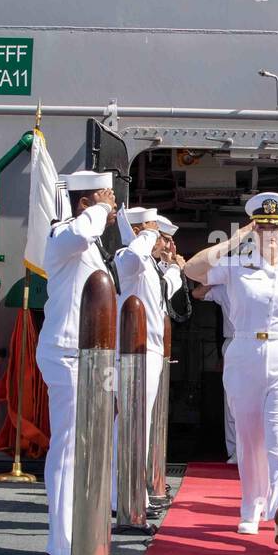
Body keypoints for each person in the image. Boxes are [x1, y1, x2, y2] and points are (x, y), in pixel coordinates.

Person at [183, 193, 278, 543]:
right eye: (262, 228)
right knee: (249, 440)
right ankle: (251, 507)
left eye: (276, 228)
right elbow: (191, 269)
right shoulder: (236, 266)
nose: (269, 234)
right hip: (245, 351)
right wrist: (235, 239)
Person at [35, 170, 118, 555]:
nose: (113, 206)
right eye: (106, 199)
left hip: (89, 357)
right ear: (85, 203)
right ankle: (61, 542)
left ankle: (81, 530)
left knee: (87, 447)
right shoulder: (63, 234)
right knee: (68, 448)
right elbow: (81, 233)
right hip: (66, 354)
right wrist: (99, 208)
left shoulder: (93, 244)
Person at [112, 206, 168, 513]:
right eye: (153, 230)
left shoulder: (148, 261)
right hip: (135, 351)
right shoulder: (128, 256)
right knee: (132, 424)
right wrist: (144, 233)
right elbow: (132, 257)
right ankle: (125, 496)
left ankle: (132, 494)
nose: (158, 237)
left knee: (137, 424)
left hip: (149, 349)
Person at [192, 280, 238, 463]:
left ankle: (261, 451)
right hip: (234, 341)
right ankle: (235, 451)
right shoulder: (227, 287)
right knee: (232, 401)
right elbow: (197, 294)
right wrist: (217, 275)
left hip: (265, 341)